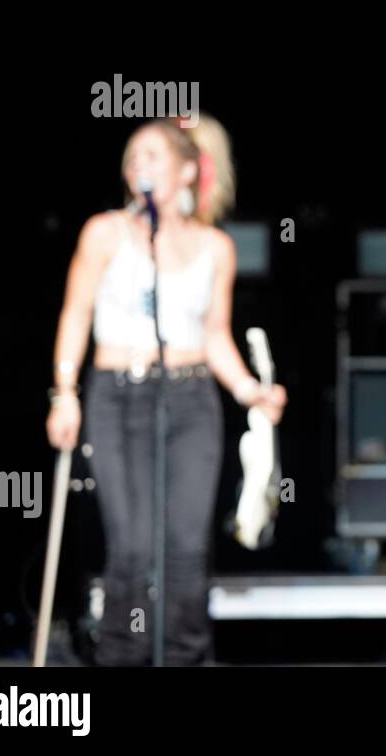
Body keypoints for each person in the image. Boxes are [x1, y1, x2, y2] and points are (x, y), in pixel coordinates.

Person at [45, 114, 287, 665]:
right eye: (132, 157)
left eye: (152, 155)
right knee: (130, 549)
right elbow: (76, 313)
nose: (139, 166)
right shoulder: (103, 233)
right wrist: (64, 392)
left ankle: (186, 657)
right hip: (116, 394)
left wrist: (251, 391)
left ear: (187, 171)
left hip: (190, 398)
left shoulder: (215, 246)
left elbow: (215, 336)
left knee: (184, 550)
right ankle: (118, 659)